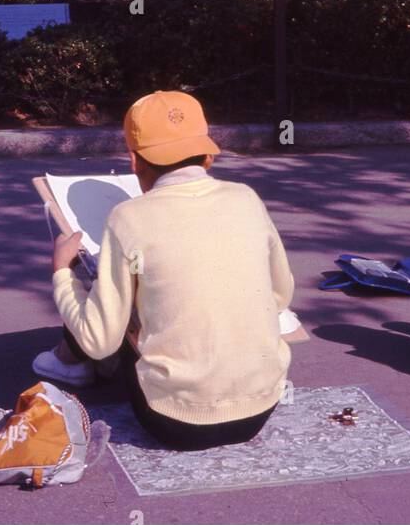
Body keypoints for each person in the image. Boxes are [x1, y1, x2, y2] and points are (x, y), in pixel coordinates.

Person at [36, 90, 295, 451]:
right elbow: (281, 294)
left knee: (101, 289)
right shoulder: (245, 198)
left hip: (173, 422)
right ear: (207, 156)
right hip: (261, 409)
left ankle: (70, 364)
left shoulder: (128, 217)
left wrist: (61, 271)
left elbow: (99, 341)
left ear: (134, 161)